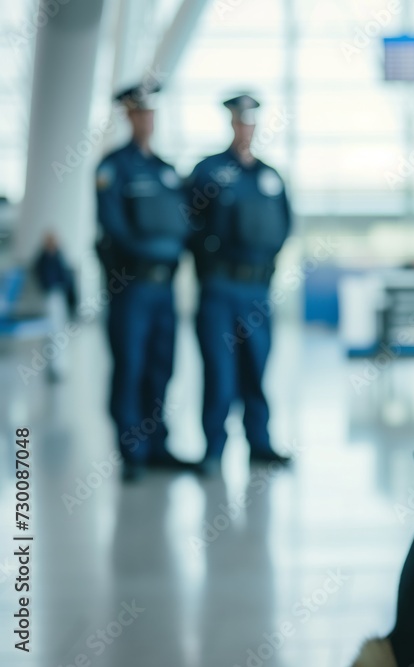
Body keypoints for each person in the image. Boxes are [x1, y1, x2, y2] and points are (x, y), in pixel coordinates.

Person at [186, 94, 292, 476]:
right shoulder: (208, 171)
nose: (245, 127)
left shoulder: (270, 176)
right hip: (219, 289)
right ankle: (213, 449)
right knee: (219, 371)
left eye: (251, 121)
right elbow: (190, 225)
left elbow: (284, 227)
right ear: (231, 123)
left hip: (257, 292)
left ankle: (259, 445)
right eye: (239, 120)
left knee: (257, 369)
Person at [95, 83, 192, 480]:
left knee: (161, 366)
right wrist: (154, 249)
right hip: (131, 287)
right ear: (128, 116)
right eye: (139, 112)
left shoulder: (166, 170)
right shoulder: (112, 168)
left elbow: (185, 223)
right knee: (130, 366)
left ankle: (157, 445)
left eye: (151, 113)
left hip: (164, 288)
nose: (146, 120)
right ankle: (130, 450)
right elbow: (115, 226)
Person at [33, 231, 76, 381]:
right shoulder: (43, 258)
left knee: (59, 332)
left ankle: (60, 367)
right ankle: (53, 367)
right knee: (52, 332)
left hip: (59, 296)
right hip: (50, 296)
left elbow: (67, 278)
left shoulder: (58, 256)